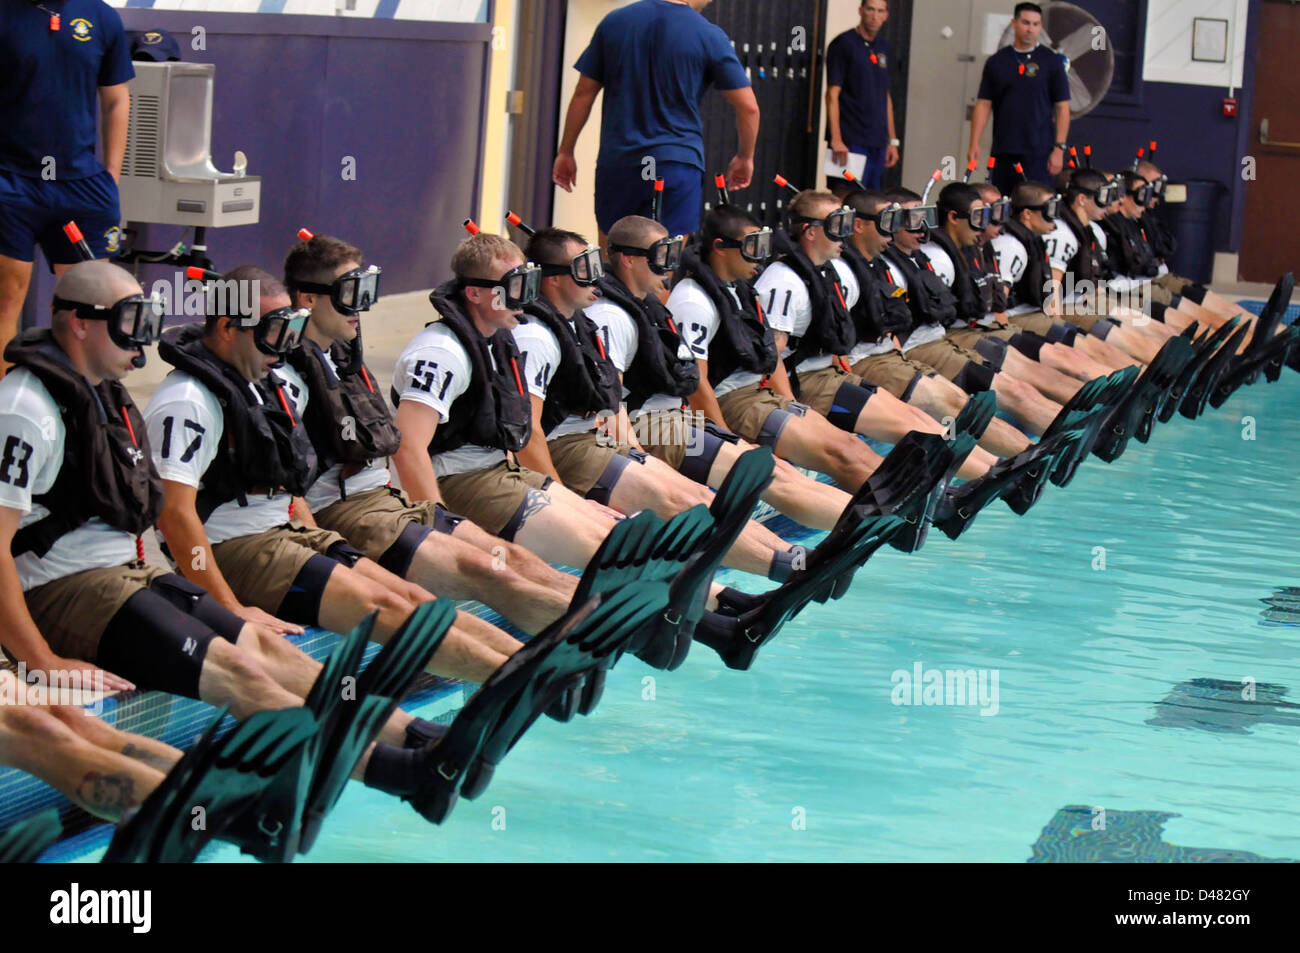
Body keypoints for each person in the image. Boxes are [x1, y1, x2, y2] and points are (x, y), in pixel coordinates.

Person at [144, 266, 521, 686]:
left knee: (418, 601)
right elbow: (174, 517)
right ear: (230, 329)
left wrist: (321, 546)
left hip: (288, 533)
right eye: (273, 331)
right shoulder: (187, 402)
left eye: (291, 331)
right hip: (236, 547)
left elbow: (290, 482)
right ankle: (522, 684)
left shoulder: (269, 383)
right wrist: (226, 606)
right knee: (387, 608)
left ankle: (534, 665)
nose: (284, 347)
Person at [279, 232, 579, 636]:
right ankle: (598, 640)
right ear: (307, 299)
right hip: (350, 512)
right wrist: (321, 548)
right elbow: (294, 482)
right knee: (491, 573)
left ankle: (611, 634)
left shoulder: (341, 357)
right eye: (351, 292)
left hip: (389, 501)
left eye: (366, 290)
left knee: (514, 560)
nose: (363, 306)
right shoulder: (286, 374)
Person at [588, 214, 862, 532]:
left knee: (776, 471)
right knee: (759, 480)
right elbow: (610, 405)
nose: (669, 266)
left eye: (673, 255)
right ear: (627, 259)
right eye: (661, 256)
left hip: (676, 420)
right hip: (651, 427)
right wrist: (637, 459)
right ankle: (852, 531)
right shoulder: (612, 315)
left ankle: (869, 522)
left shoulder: (649, 304)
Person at [752, 189, 998, 478]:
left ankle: (991, 471)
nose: (844, 236)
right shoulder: (783, 281)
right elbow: (773, 356)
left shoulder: (827, 272)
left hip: (829, 376)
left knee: (917, 417)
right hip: (807, 381)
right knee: (908, 427)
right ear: (809, 232)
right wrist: (790, 409)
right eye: (837, 227)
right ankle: (978, 479)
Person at [552, 0, 759, 244]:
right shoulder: (708, 34)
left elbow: (583, 93)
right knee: (664, 262)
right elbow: (749, 107)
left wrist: (566, 151)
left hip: (621, 162)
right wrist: (745, 157)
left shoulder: (615, 22)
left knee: (614, 258)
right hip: (676, 163)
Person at [0, 0, 133, 371]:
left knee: (91, 306)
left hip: (83, 188)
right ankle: (7, 411)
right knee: (6, 299)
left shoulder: (102, 17)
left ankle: (83, 409)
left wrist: (110, 175)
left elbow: (116, 99)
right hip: (10, 183)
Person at [967, 2, 1070, 198]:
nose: (1030, 29)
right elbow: (984, 103)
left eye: (1035, 24)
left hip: (1039, 151)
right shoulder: (997, 61)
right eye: (1025, 23)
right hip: (1004, 149)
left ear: (1040, 27)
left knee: (1035, 203)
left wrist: (1059, 148)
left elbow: (1063, 108)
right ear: (1014, 24)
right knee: (1002, 202)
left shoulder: (1052, 61)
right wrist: (974, 142)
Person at [825, 0, 900, 194]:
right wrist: (836, 139)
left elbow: (886, 97)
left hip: (877, 140)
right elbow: (832, 94)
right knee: (846, 198)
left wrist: (892, 140)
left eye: (880, 11)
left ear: (886, 15)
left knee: (870, 201)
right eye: (870, 9)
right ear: (861, 11)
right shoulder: (843, 44)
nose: (875, 16)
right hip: (849, 140)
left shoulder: (885, 47)